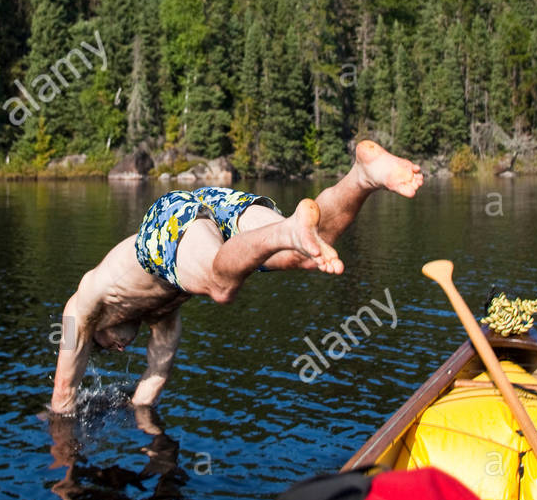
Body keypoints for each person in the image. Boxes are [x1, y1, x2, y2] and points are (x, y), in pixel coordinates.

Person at [50, 139, 423, 414]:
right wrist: (142, 428)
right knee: (308, 252)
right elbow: (149, 389)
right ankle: (363, 175)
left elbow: (63, 396)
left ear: (94, 328)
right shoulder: (165, 322)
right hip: (209, 208)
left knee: (220, 284)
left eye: (102, 344)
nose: (116, 348)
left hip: (164, 224)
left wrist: (67, 489)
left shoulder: (82, 307)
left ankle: (286, 231)